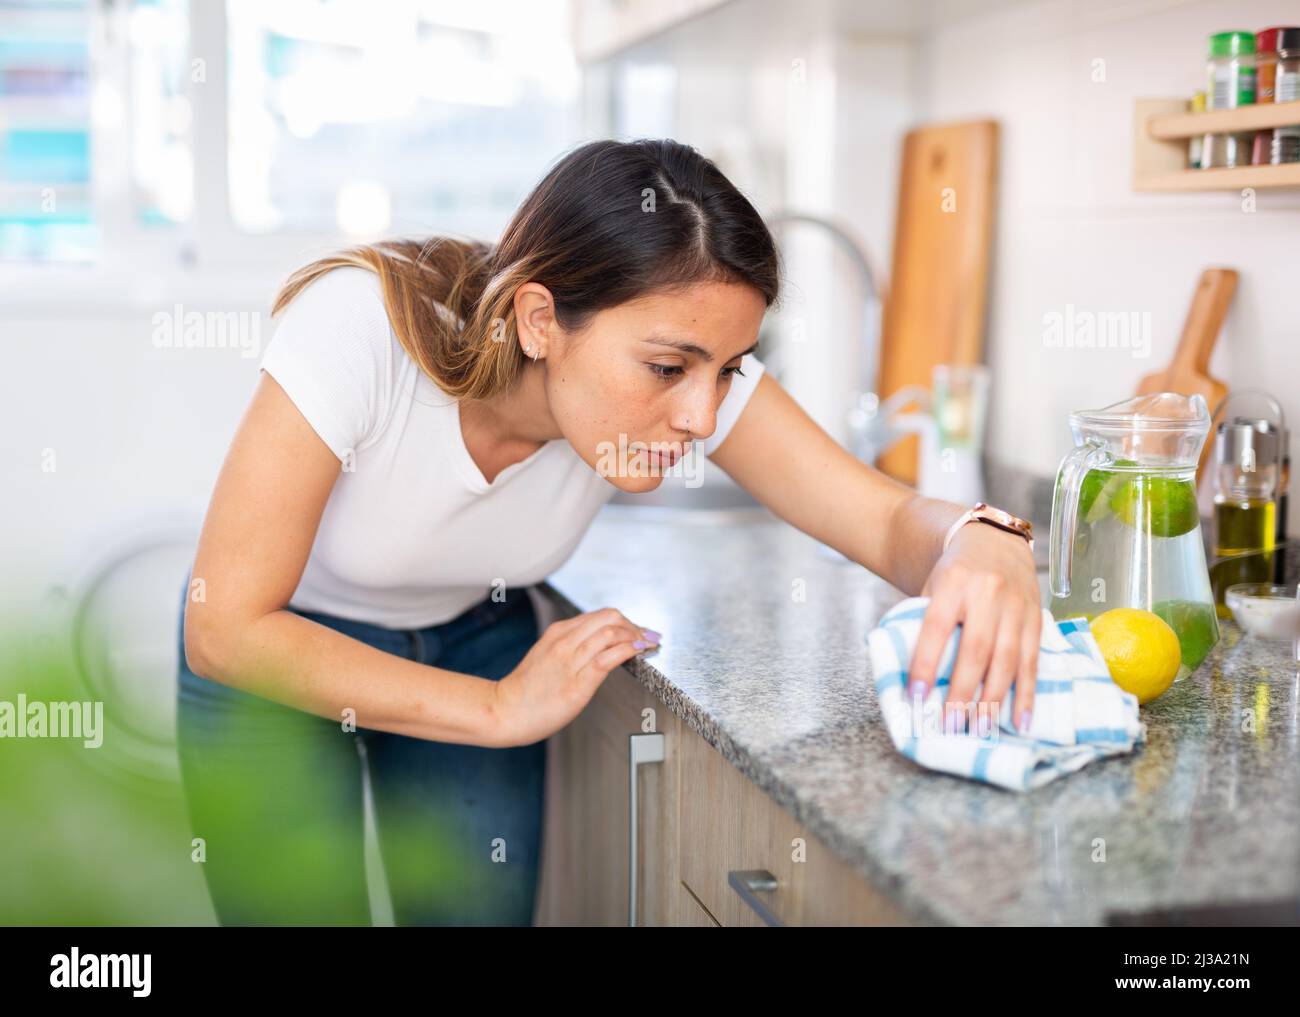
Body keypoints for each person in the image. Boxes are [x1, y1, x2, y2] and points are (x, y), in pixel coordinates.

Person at [176, 137, 1040, 926]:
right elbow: (226, 625)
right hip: (276, 665)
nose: (704, 414)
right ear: (540, 319)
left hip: (475, 635)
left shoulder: (684, 367)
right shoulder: (361, 329)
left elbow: (886, 518)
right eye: (667, 369)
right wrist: (499, 706)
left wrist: (983, 535)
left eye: (729, 367)